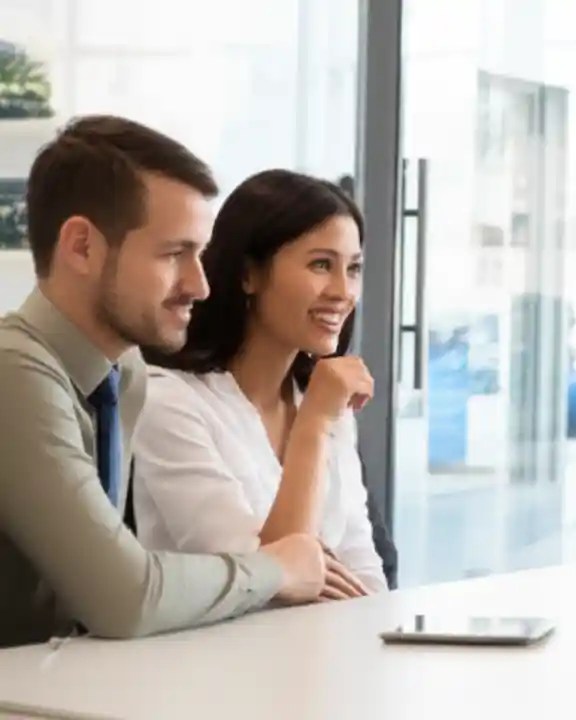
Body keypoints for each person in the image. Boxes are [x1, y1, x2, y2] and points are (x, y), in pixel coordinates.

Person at [0, 116, 328, 649]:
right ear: (82, 247)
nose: (200, 285)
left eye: (200, 254)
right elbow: (123, 596)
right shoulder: (13, 375)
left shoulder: (122, 375)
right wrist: (275, 567)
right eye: (175, 254)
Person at [133, 169, 387, 595]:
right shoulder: (169, 403)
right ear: (248, 274)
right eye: (321, 264)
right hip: (213, 659)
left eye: (355, 268)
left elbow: (365, 570)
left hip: (327, 651)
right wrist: (313, 425)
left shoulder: (326, 403)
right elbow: (268, 585)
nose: (344, 291)